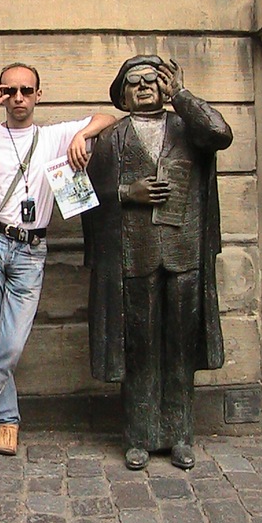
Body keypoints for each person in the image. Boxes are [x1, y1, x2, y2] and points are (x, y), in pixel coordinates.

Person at [0, 62, 115, 456]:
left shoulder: (54, 136)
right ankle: (7, 423)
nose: (18, 98)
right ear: (1, 94)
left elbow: (109, 117)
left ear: (38, 95)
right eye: (10, 90)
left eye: (26, 90)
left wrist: (82, 135)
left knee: (11, 343)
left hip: (31, 250)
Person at [81, 54, 233, 470]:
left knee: (180, 349)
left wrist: (181, 94)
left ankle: (180, 435)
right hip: (133, 258)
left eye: (152, 79)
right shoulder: (112, 137)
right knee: (139, 349)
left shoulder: (188, 127)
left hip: (184, 254)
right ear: (122, 95)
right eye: (134, 82)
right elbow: (79, 195)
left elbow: (220, 133)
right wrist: (126, 192)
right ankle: (139, 435)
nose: (144, 86)